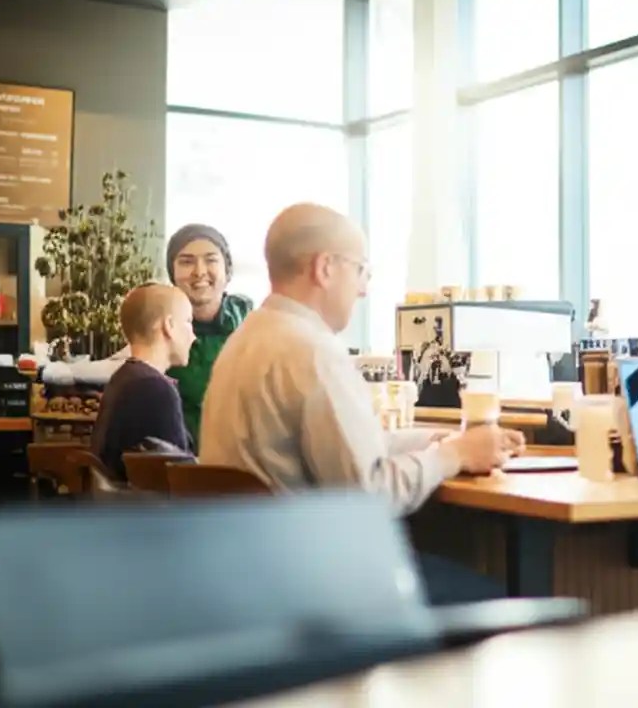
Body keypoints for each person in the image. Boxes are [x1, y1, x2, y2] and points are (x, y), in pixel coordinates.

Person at [200, 203, 519, 603]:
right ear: (325, 268)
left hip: (253, 575)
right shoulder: (312, 352)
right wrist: (453, 456)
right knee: (508, 597)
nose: (364, 287)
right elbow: (369, 497)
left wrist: (438, 440)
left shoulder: (246, 340)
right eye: (361, 269)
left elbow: (338, 447)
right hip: (318, 585)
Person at [91, 284, 196, 482]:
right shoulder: (153, 390)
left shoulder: (123, 379)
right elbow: (178, 485)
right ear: (169, 326)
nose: (193, 336)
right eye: (188, 322)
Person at [165, 224, 254, 445]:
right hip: (183, 466)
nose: (199, 271)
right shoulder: (160, 328)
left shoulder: (254, 326)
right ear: (172, 273)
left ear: (228, 270)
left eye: (211, 260)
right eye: (186, 261)